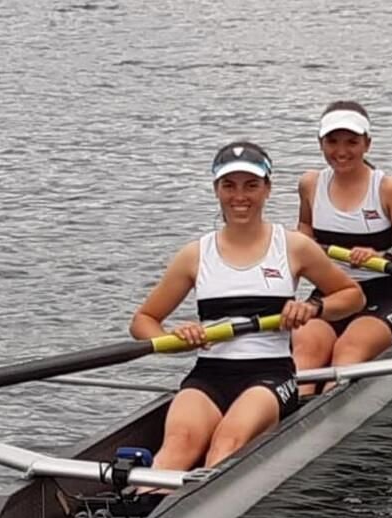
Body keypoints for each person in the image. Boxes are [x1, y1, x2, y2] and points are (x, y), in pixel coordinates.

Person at [130, 141, 364, 472]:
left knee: (227, 443)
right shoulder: (195, 255)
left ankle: (195, 497)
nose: (240, 196)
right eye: (229, 186)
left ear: (267, 189)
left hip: (271, 375)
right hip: (208, 374)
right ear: (216, 190)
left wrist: (313, 307)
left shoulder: (294, 246)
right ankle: (146, 496)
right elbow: (143, 320)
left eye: (251, 185)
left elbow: (352, 296)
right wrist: (173, 340)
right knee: (177, 446)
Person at [290, 101, 392, 386]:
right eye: (332, 142)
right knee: (304, 357)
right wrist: (303, 243)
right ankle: (297, 406)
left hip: (381, 298)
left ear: (367, 144)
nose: (341, 151)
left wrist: (382, 258)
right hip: (330, 295)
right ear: (320, 143)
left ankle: (332, 400)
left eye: (352, 142)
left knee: (347, 354)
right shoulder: (310, 184)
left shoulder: (389, 189)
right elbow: (305, 226)